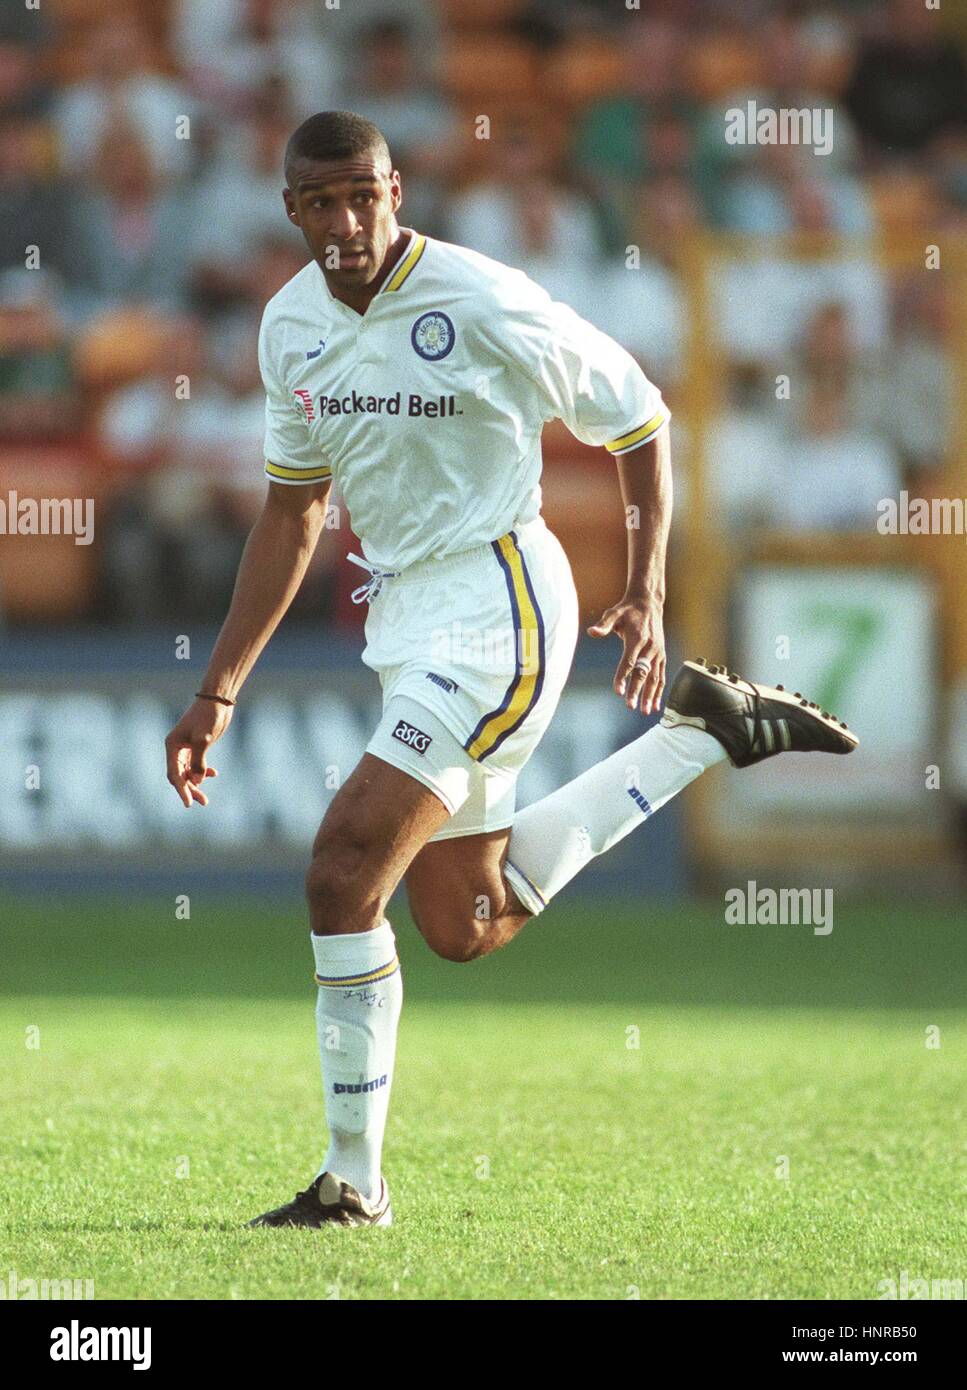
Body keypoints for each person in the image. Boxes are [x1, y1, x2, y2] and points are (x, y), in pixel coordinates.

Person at [164, 112, 858, 1229]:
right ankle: (703, 734)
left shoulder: (479, 297)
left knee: (344, 868)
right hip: (408, 621)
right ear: (289, 209)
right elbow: (292, 512)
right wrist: (218, 689)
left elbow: (636, 414)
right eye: (320, 202)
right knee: (463, 924)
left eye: (363, 195)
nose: (346, 221)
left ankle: (352, 1184)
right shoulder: (288, 326)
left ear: (397, 187)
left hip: (500, 610)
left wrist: (647, 589)